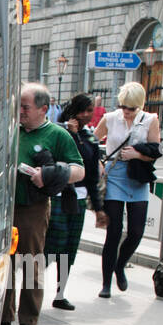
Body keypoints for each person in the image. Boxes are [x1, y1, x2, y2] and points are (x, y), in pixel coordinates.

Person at [2, 83, 85, 325]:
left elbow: (79, 170)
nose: (21, 112)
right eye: (19, 107)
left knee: (29, 262)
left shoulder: (58, 135)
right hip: (5, 205)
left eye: (25, 107)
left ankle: (28, 318)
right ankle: (4, 315)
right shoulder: (11, 131)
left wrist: (48, 174)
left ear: (43, 109)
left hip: (32, 208)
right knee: (4, 262)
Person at [94, 81, 161, 298]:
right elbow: (91, 140)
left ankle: (120, 265)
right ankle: (106, 284)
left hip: (137, 177)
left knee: (136, 232)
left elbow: (154, 151)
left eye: (131, 108)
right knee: (113, 232)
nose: (127, 111)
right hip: (114, 175)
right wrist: (99, 163)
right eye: (123, 106)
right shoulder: (111, 118)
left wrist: (138, 155)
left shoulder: (150, 120)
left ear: (139, 105)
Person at [45, 94, 104, 311]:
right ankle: (32, 287)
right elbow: (57, 157)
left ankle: (60, 294)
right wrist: (71, 133)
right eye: (83, 111)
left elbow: (91, 176)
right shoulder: (58, 132)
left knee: (70, 247)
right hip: (59, 196)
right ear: (74, 111)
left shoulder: (90, 137)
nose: (87, 115)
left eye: (90, 111)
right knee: (53, 244)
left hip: (77, 199)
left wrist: (98, 208)